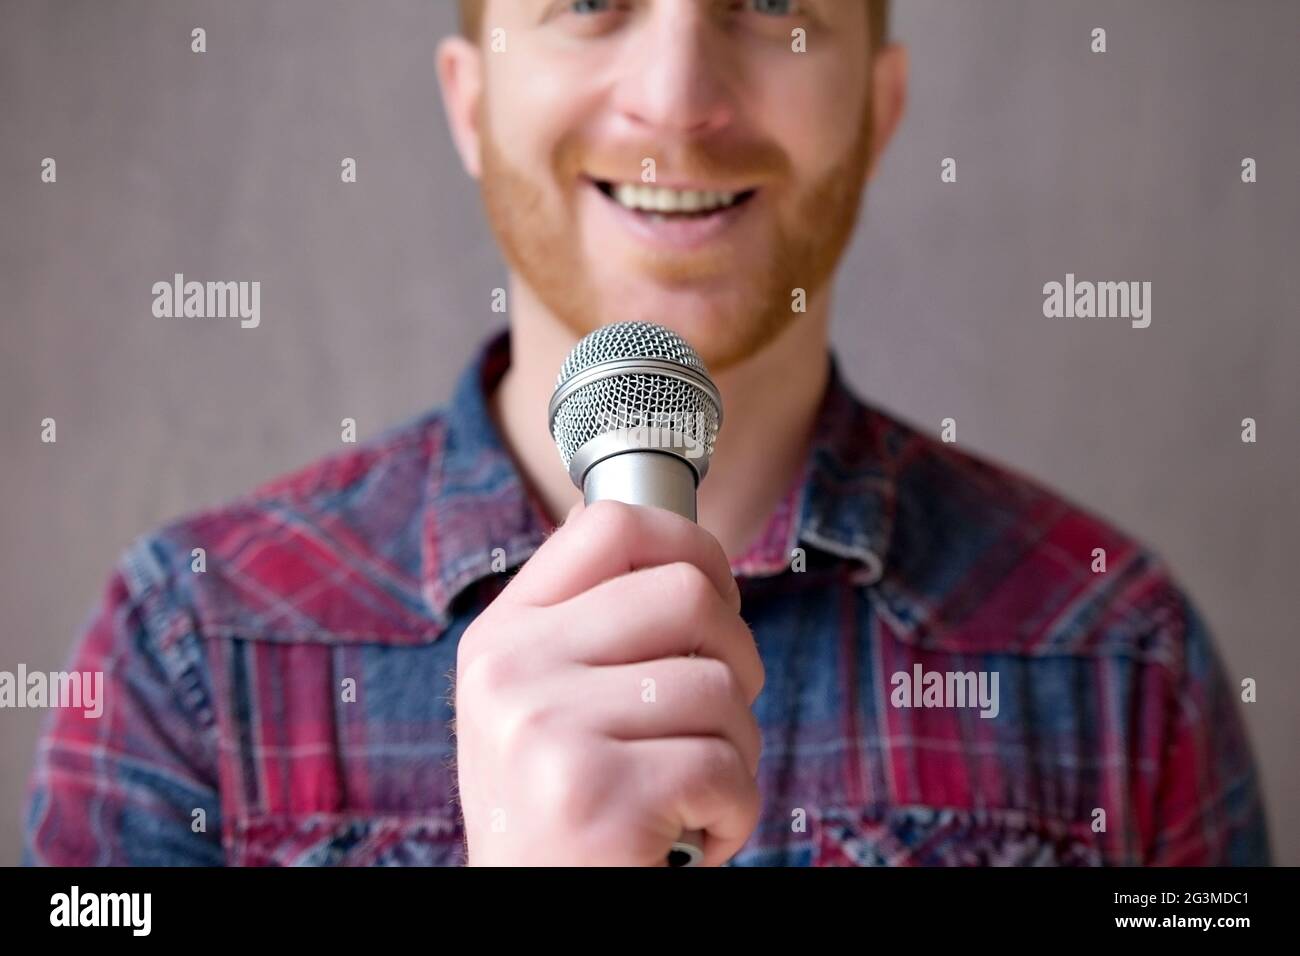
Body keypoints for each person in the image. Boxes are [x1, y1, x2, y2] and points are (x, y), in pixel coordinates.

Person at [24, 0, 1269, 866]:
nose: (677, 103)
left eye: (767, 1)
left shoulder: (1117, 654)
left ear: (880, 105)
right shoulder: (188, 645)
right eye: (589, 0)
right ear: (471, 99)